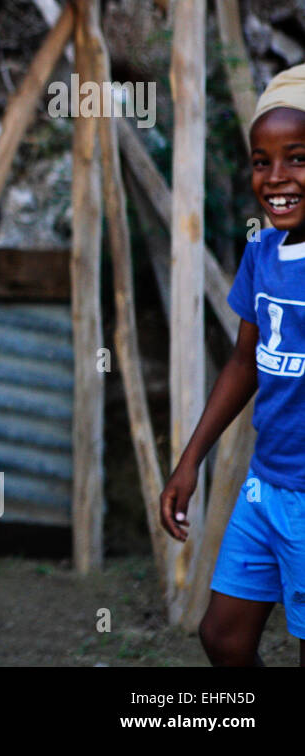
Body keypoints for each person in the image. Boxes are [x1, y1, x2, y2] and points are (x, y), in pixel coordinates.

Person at [160, 64, 305, 668]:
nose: (276, 179)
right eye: (260, 161)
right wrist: (190, 461)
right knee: (222, 637)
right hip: (265, 484)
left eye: (297, 158)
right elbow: (244, 363)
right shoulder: (264, 250)